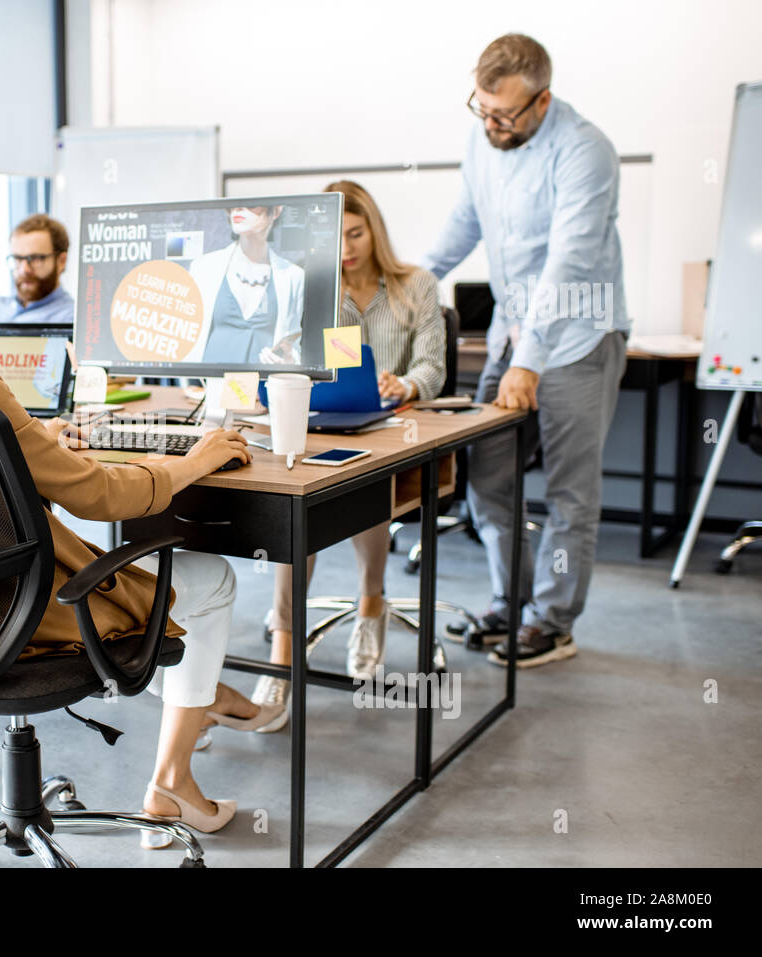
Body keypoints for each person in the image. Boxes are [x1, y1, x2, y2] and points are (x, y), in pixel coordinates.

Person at [0, 162, 279, 843]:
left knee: (172, 595)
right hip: (21, 616)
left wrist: (25, 446)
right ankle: (173, 779)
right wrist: (192, 460)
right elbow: (97, 494)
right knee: (212, 580)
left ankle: (205, 701)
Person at [422, 34, 629, 667]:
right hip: (517, 337)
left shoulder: (583, 150)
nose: (491, 124)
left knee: (570, 492)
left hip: (577, 339)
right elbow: (466, 219)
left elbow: (568, 265)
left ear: (542, 101)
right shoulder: (484, 140)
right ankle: (510, 604)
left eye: (505, 114)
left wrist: (529, 361)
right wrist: (411, 282)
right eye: (481, 109)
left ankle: (553, 621)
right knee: (486, 476)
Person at [254, 181, 446, 726]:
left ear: (374, 229)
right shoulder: (313, 290)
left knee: (366, 489)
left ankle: (370, 604)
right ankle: (283, 653)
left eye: (356, 233)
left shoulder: (416, 285)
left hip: (396, 431)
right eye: (334, 239)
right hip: (327, 422)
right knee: (299, 507)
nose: (346, 249)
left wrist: (404, 386)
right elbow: (286, 359)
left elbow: (433, 367)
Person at [184, 206, 306, 365]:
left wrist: (289, 360)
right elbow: (186, 335)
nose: (239, 209)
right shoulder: (204, 267)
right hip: (211, 383)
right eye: (233, 204)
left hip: (262, 385)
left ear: (275, 211)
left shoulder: (293, 275)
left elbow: (294, 342)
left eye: (252, 204)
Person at [0, 213, 76, 325]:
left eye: (35, 258)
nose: (24, 269)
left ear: (61, 261)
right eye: (18, 258)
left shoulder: (72, 321)